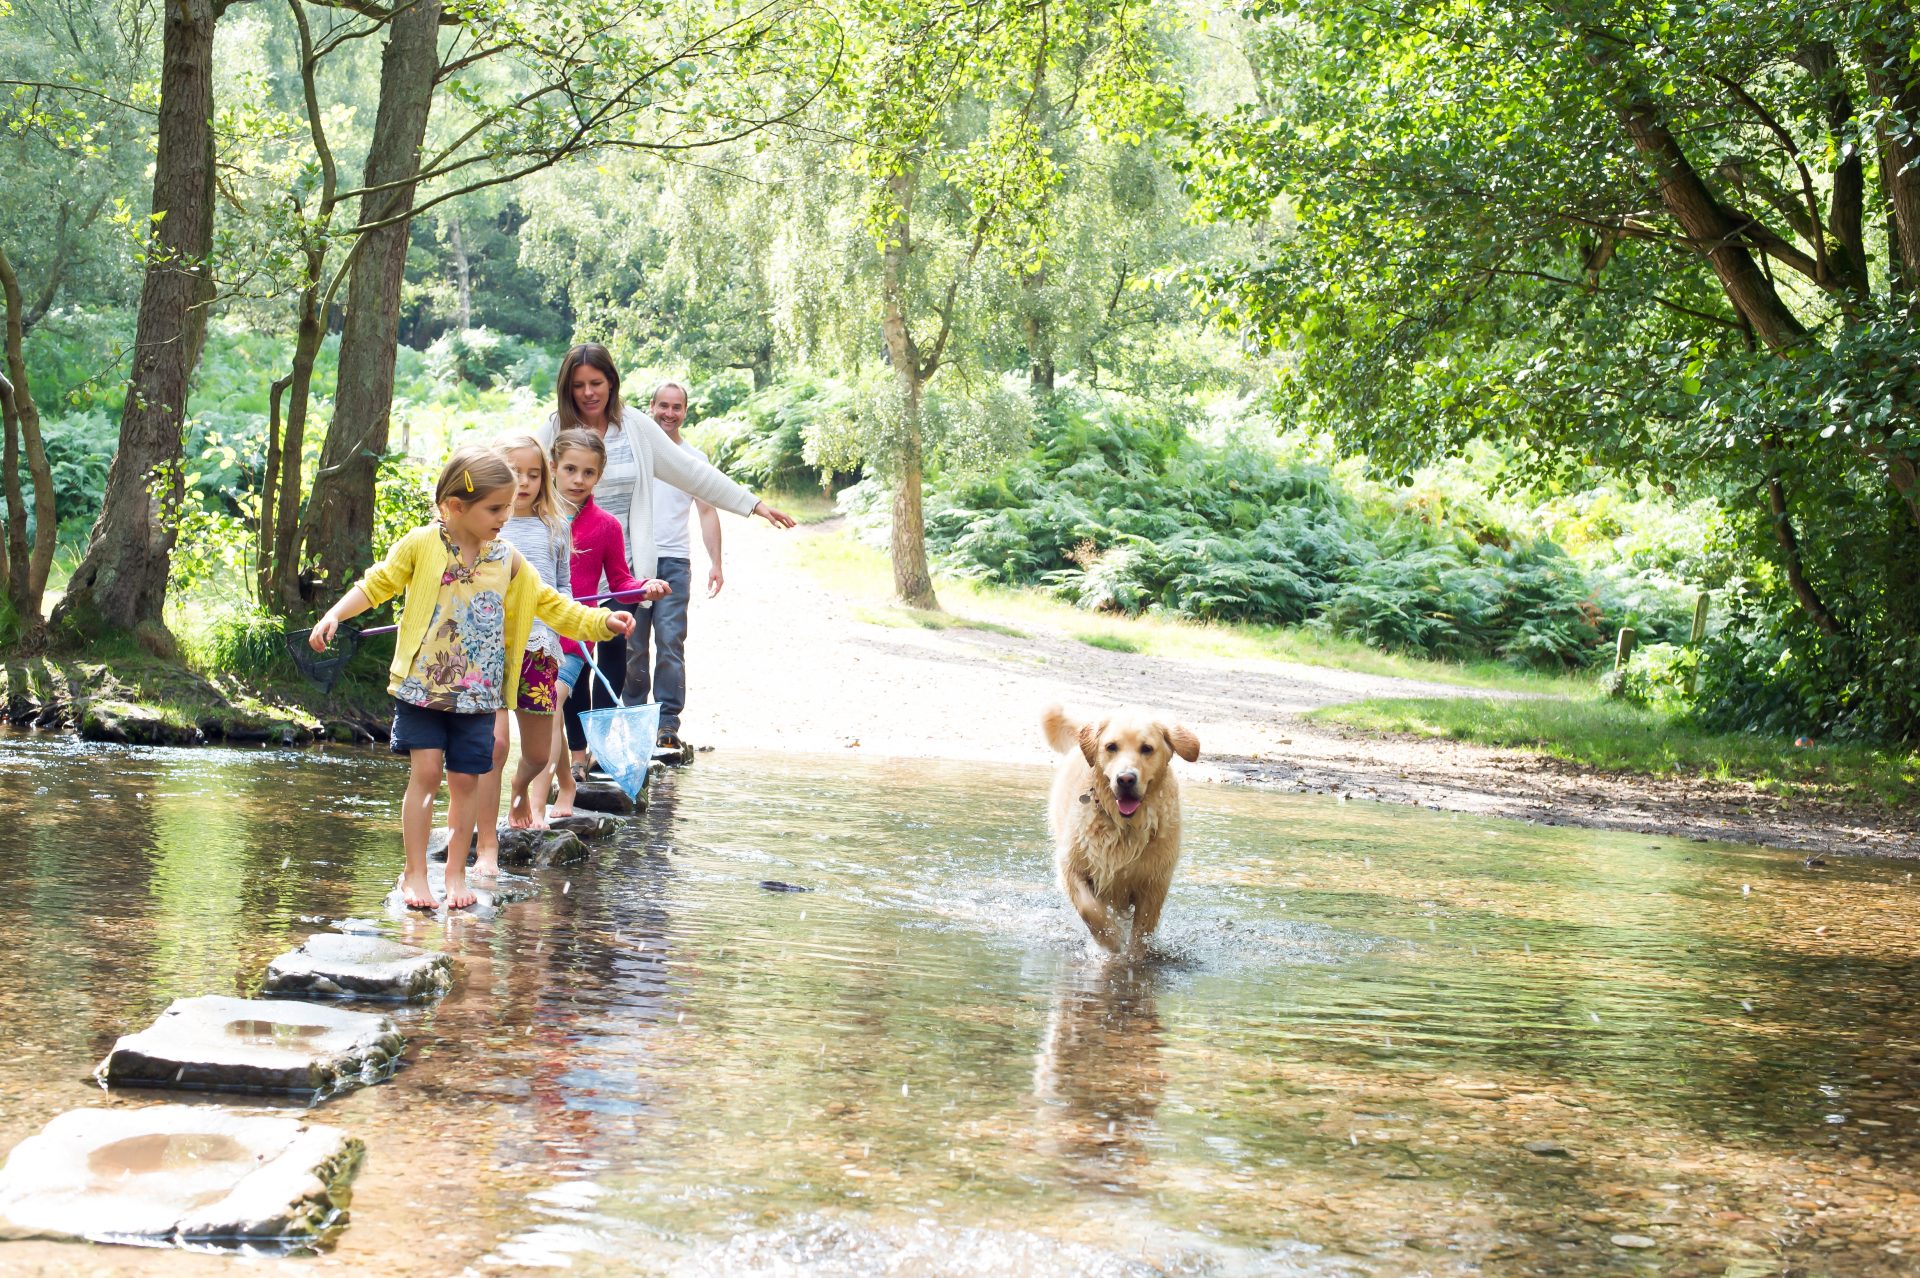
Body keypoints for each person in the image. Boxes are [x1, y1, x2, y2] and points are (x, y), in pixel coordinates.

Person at [309, 444, 635, 910]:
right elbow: (378, 582)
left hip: (479, 697)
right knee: (425, 773)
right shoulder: (422, 544)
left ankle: (456, 875)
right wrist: (335, 615)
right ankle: (415, 873)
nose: (506, 516)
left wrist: (602, 622)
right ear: (455, 506)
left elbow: (552, 605)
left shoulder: (507, 559)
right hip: (422, 689)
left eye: (507, 507)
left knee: (464, 783)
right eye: (495, 509)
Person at [533, 343, 796, 734]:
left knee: (615, 658)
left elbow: (692, 472)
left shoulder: (635, 427)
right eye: (578, 385)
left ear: (611, 383)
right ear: (566, 388)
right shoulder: (553, 429)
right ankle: (578, 753)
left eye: (596, 383)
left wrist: (752, 504)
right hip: (568, 570)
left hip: (622, 566)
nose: (588, 393)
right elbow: (517, 473)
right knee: (573, 663)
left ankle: (600, 747)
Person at [539, 427, 668, 818]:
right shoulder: (532, 516)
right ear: (553, 467)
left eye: (589, 472)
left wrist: (644, 588)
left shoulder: (607, 525)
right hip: (527, 635)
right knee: (542, 715)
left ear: (599, 475)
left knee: (551, 703)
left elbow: (620, 583)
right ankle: (566, 777)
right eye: (570, 469)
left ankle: (539, 802)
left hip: (572, 638)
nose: (578, 480)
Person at [474, 434, 581, 840]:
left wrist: (567, 615)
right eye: (514, 472)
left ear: (545, 478)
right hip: (490, 649)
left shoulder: (556, 526)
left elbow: (564, 585)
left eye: (533, 474)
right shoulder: (485, 526)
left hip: (539, 648)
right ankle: (486, 840)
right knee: (494, 744)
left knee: (537, 753)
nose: (524, 482)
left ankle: (519, 788)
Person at [632, 381, 722, 751]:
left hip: (674, 562)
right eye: (663, 406)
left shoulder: (693, 460)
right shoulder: (635, 452)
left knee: (670, 641)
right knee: (632, 643)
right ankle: (634, 718)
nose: (669, 413)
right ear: (651, 406)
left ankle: (667, 724)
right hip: (634, 562)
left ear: (685, 411)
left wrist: (716, 562)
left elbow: (707, 511)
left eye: (676, 407)